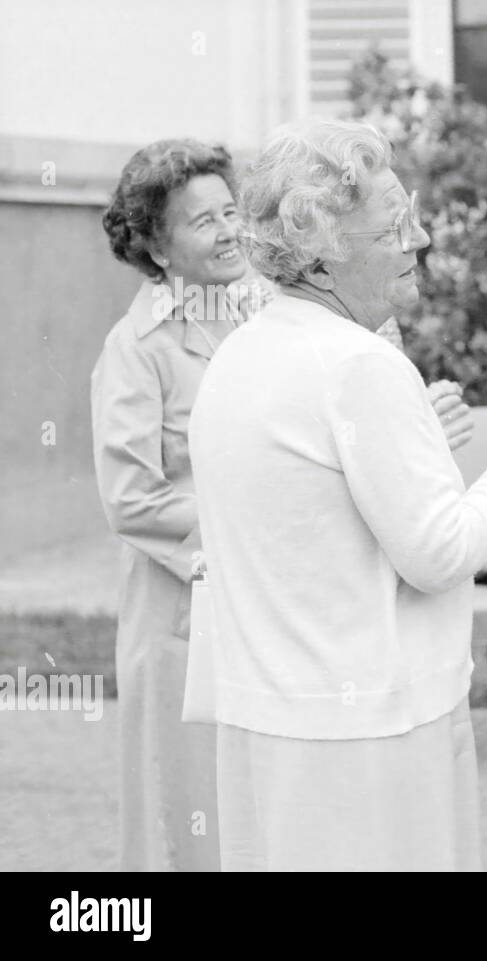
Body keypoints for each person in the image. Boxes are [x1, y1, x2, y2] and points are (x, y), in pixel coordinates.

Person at [188, 119, 487, 871]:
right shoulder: (356, 364)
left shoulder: (240, 354)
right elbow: (439, 553)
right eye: (394, 225)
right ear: (323, 250)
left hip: (269, 723)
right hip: (369, 738)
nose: (420, 238)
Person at [93, 138, 273, 871]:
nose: (230, 231)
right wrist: (241, 538)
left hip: (263, 599)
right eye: (204, 221)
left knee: (258, 811)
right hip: (180, 611)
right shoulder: (135, 348)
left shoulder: (261, 315)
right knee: (186, 815)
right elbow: (131, 499)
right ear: (158, 248)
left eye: (231, 211)